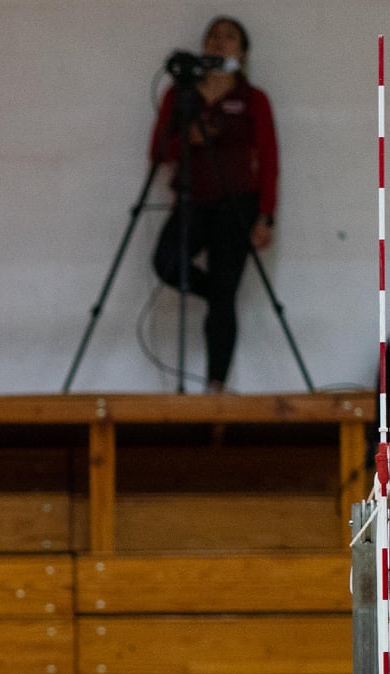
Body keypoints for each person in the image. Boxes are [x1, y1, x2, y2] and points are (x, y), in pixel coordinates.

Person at [148, 14, 279, 392]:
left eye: (229, 37)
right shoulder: (180, 94)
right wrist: (185, 141)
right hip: (192, 200)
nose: (219, 42)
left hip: (238, 204)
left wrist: (266, 215)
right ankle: (216, 291)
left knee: (225, 299)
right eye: (213, 36)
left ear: (243, 50)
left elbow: (269, 160)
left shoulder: (253, 99)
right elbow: (158, 151)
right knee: (167, 262)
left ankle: (216, 385)